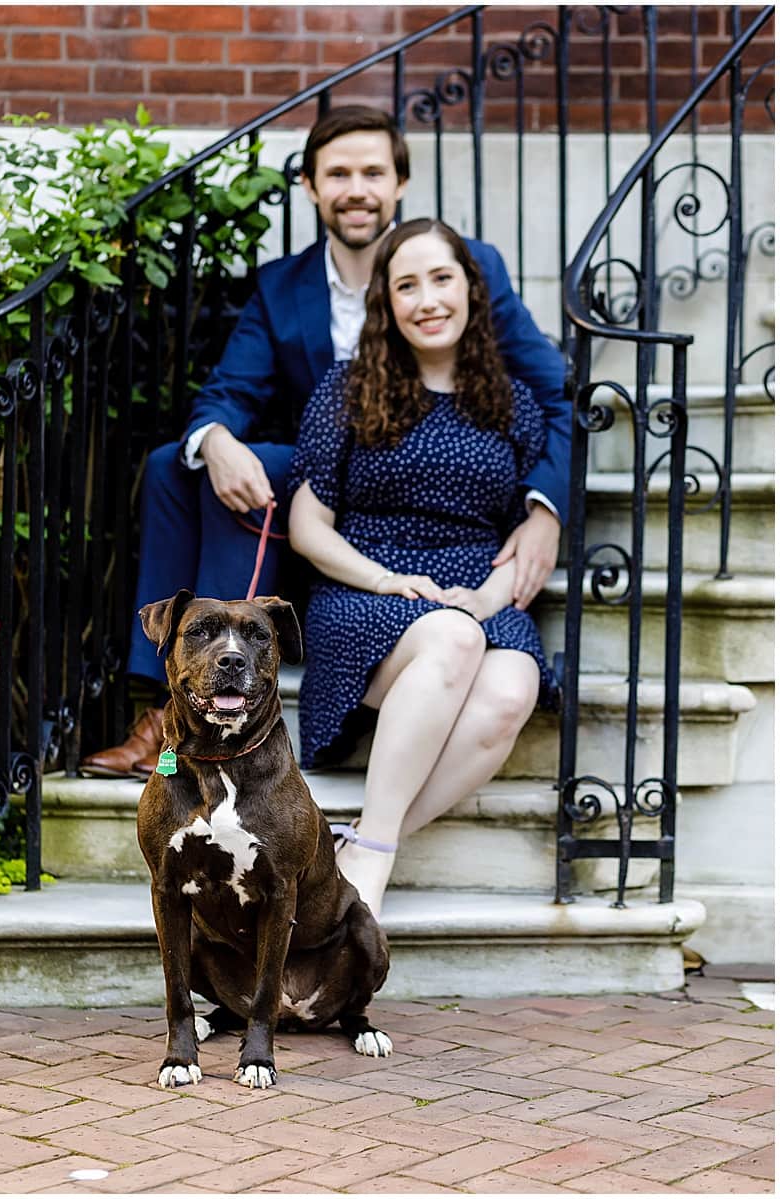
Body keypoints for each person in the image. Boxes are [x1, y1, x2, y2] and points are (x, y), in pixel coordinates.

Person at [82, 106, 569, 779]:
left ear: (400, 182)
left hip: (420, 491)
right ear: (311, 187)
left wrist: (546, 509)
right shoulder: (284, 287)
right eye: (338, 174)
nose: (356, 189)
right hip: (333, 478)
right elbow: (229, 388)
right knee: (178, 460)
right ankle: (165, 693)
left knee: (263, 478)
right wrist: (216, 435)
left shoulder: (462, 270)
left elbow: (553, 392)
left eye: (373, 171)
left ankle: (191, 714)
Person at [287, 218, 560, 918]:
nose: (427, 298)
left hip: (476, 584)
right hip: (368, 587)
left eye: (441, 279)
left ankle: (359, 848)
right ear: (387, 303)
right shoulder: (349, 389)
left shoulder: (512, 400)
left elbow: (524, 529)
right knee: (456, 639)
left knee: (510, 686)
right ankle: (372, 865)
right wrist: (382, 579)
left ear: (472, 290)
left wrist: (490, 593)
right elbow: (306, 526)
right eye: (407, 285)